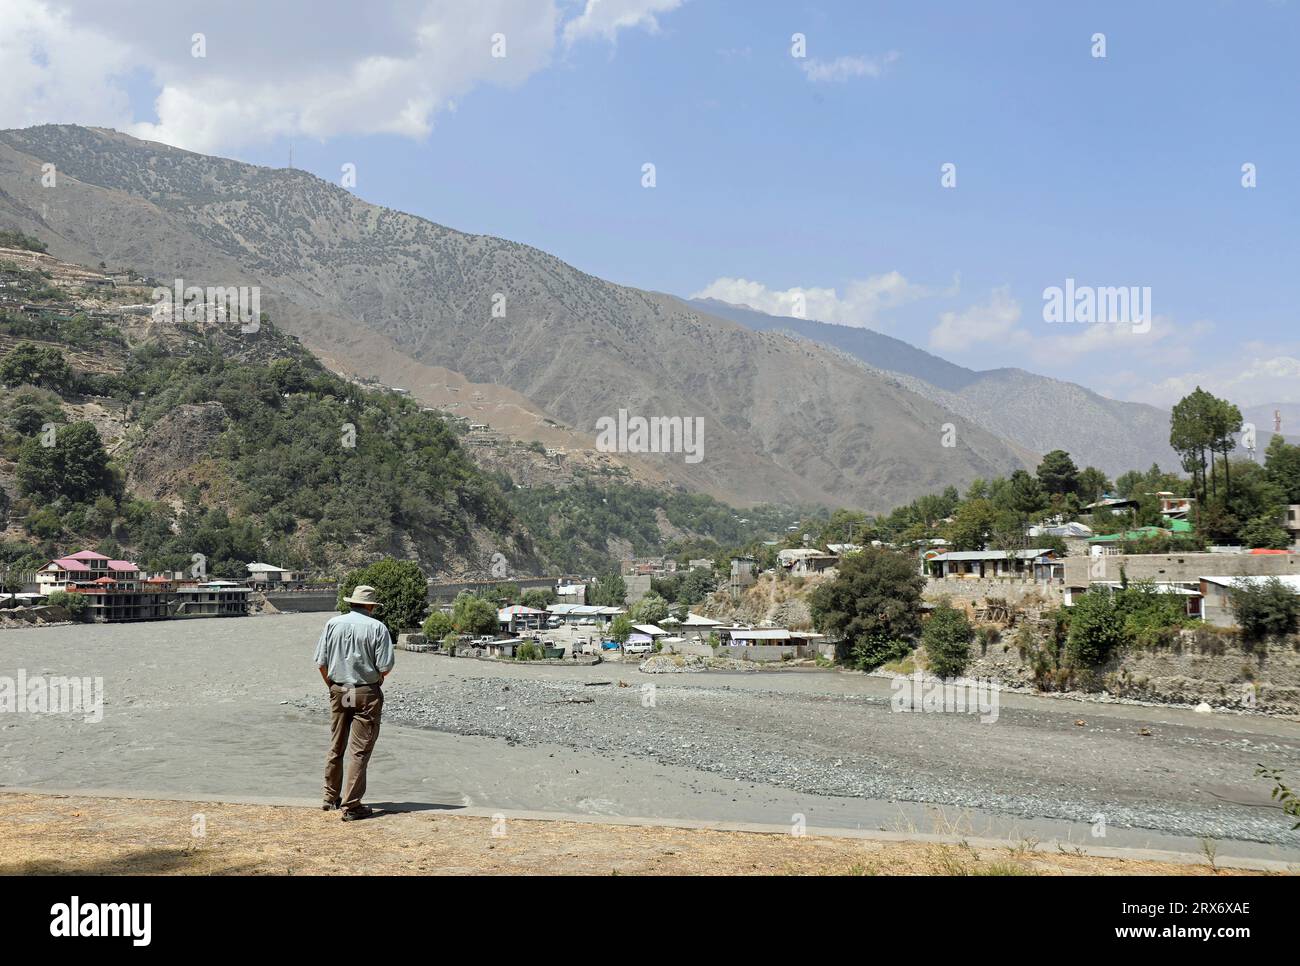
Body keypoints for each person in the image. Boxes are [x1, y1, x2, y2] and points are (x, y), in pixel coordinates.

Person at [313, 584, 395, 821]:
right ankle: (352, 805)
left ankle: (330, 798)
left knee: (336, 744)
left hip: (340, 690)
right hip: (364, 692)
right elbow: (385, 667)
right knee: (359, 751)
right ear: (370, 606)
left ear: (352, 602)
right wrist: (376, 680)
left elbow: (321, 662)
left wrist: (332, 686)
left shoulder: (332, 624)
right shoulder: (377, 628)